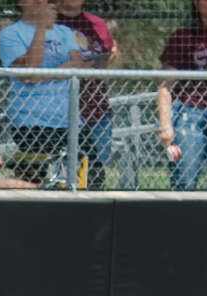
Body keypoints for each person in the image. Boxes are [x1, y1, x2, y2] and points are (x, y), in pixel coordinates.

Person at [0, 0, 86, 165]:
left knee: (91, 172)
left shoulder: (64, 32)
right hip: (32, 121)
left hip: (69, 119)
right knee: (46, 177)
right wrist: (41, 28)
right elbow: (29, 70)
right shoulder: (11, 34)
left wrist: (40, 77)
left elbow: (77, 65)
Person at [156, 0, 207, 191]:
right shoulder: (183, 36)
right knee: (185, 182)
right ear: (196, 4)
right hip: (190, 114)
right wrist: (165, 124)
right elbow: (165, 85)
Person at [55, 0, 116, 190]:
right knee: (63, 174)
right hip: (60, 114)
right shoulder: (49, 21)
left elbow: (109, 53)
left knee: (96, 171)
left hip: (96, 109)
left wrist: (88, 65)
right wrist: (81, 66)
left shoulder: (96, 23)